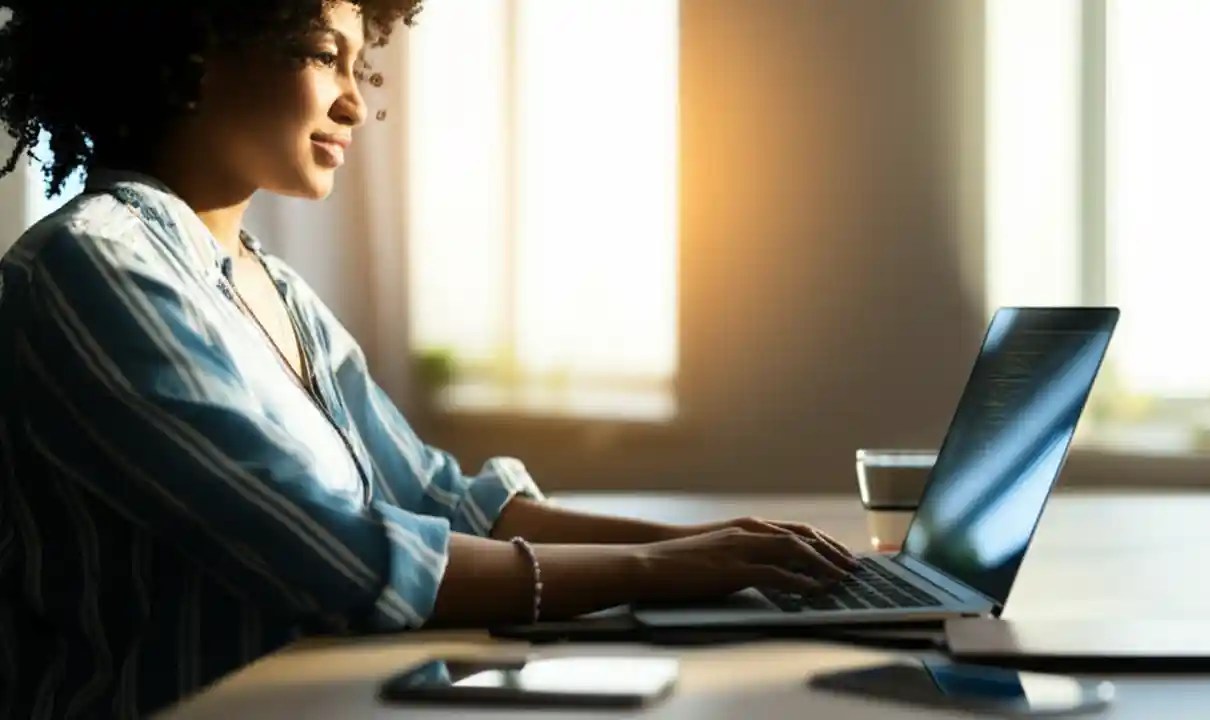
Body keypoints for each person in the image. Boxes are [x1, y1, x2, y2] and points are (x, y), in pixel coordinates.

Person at [0, 1, 858, 717]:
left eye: (358, 65)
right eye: (322, 56)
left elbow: (450, 504)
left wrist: (718, 549)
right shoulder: (94, 268)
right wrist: (659, 571)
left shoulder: (276, 292)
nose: (354, 102)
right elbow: (340, 557)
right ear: (193, 49)